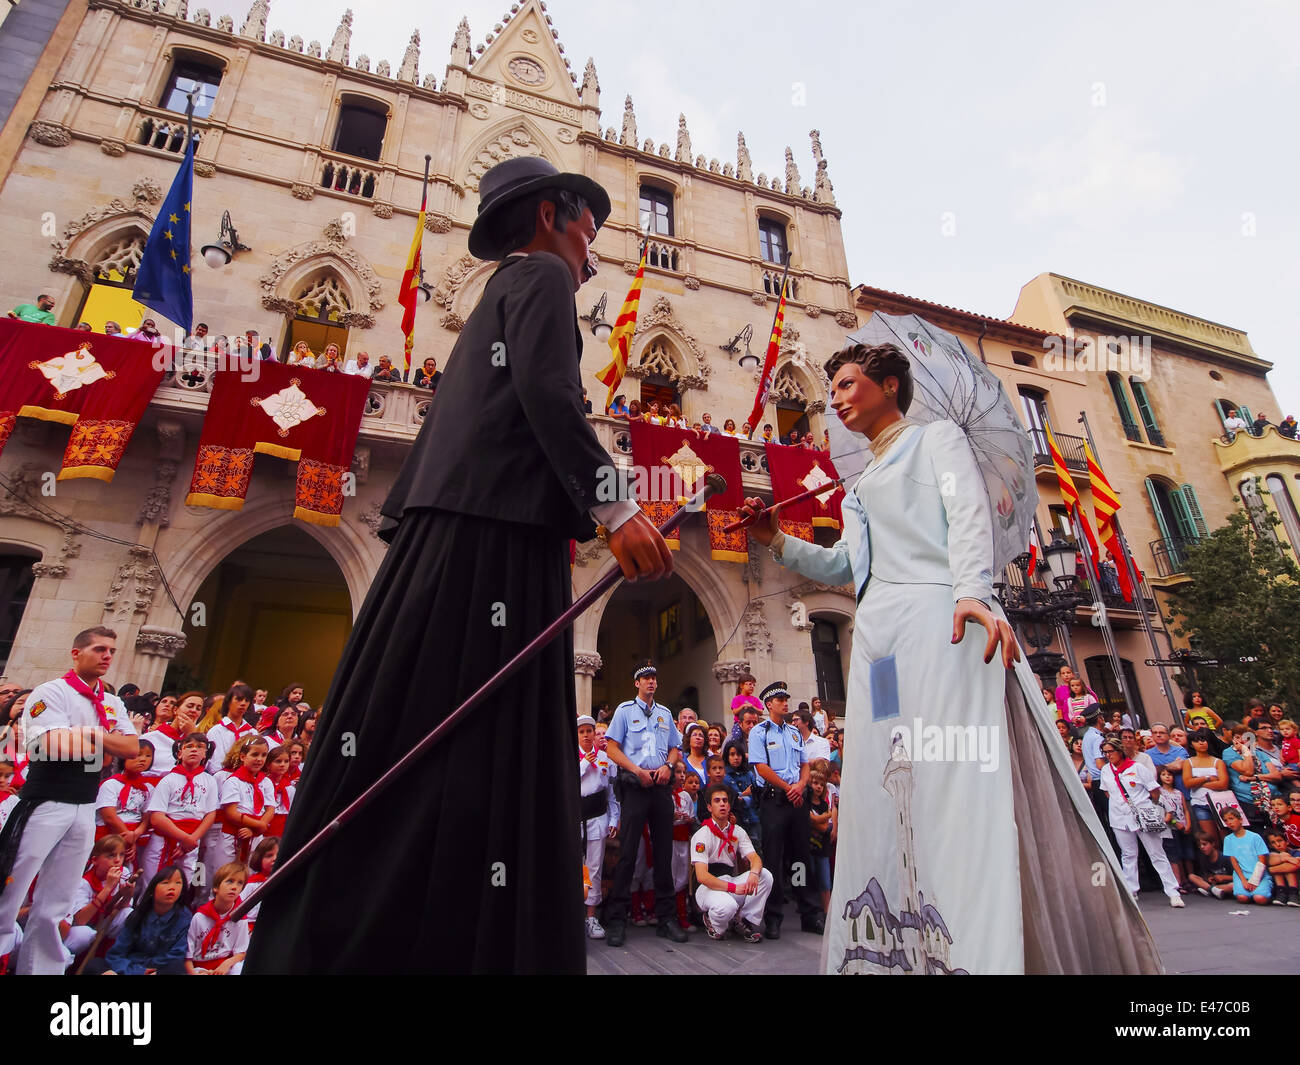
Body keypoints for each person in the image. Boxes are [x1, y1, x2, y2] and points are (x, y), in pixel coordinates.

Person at [247, 156, 670, 976]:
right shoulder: (543, 280)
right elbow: (552, 393)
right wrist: (617, 506)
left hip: (454, 534)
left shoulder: (494, 296)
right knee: (476, 744)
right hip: (495, 540)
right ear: (550, 214)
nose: (593, 248)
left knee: (415, 736)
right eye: (588, 225)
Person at [739, 340, 1159, 974]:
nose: (837, 399)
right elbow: (847, 567)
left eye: (849, 384)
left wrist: (971, 592)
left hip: (938, 622)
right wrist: (776, 539)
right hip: (877, 645)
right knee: (888, 784)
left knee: (946, 776)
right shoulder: (858, 485)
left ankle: (971, 946)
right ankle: (893, 943)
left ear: (886, 385)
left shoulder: (936, 441)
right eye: (834, 390)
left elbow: (967, 517)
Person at [0, 627, 139, 975]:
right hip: (45, 800)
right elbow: (50, 745)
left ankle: (41, 970)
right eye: (99, 649)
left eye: (111, 650)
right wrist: (105, 743)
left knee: (57, 900)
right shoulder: (51, 693)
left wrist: (88, 734)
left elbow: (132, 749)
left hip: (83, 805)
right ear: (76, 653)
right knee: (11, 886)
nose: (107, 655)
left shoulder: (111, 701)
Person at [602, 663, 685, 947]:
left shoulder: (664, 714)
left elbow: (675, 746)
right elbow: (612, 748)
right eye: (645, 678)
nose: (651, 682)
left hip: (660, 787)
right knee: (627, 854)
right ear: (636, 683)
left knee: (663, 854)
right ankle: (616, 919)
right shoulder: (625, 711)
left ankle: (666, 918)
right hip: (635, 787)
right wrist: (636, 771)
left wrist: (668, 765)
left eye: (654, 679)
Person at [747, 680, 821, 939]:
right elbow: (760, 766)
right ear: (769, 704)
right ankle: (774, 916)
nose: (785, 702)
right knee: (774, 859)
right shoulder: (759, 732)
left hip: (796, 800)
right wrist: (787, 788)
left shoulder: (793, 732)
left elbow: (804, 764)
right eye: (780, 699)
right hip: (774, 800)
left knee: (800, 857)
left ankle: (809, 913)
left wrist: (800, 785)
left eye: (786, 699)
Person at [1098, 738, 1184, 906]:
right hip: (1119, 817)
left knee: (1156, 853)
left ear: (1119, 751)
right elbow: (1107, 792)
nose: (1108, 755)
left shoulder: (1137, 768)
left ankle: (1173, 891)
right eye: (1105, 752)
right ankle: (1131, 890)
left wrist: (1146, 808)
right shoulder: (1106, 770)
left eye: (1111, 751)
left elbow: (1154, 791)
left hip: (1143, 814)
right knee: (1128, 854)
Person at [690, 784, 772, 942]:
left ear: (729, 806)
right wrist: (734, 888)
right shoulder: (702, 835)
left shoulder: (738, 831)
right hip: (707, 887)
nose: (722, 804)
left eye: (725, 800)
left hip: (728, 880)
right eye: (717, 800)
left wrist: (754, 874)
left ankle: (743, 920)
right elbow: (701, 876)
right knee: (727, 907)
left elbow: (754, 858)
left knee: (765, 876)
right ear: (709, 807)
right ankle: (713, 921)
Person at [141, 732, 219, 886]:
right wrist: (184, 839)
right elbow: (157, 818)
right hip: (164, 840)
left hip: (191, 842)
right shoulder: (168, 780)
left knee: (185, 882)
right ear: (179, 753)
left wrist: (191, 840)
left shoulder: (210, 781)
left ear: (205, 754)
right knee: (152, 882)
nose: (194, 750)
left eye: (200, 747)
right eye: (189, 746)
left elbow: (210, 814)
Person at [96, 865, 190, 975]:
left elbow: (176, 956)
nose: (172, 887)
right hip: (132, 968)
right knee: (96, 964)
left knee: (176, 968)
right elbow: (116, 954)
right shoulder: (138, 915)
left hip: (159, 970)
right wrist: (139, 971)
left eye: (178, 883)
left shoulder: (184, 918)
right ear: (152, 890)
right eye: (165, 882)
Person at [577, 715, 618, 940]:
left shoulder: (605, 759)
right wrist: (585, 763)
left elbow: (611, 794)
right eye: (581, 732)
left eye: (589, 731)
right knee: (575, 867)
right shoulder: (571, 756)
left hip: (597, 817)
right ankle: (573, 913)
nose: (586, 735)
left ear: (595, 734)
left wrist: (613, 819)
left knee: (594, 868)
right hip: (576, 816)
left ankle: (591, 916)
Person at [187, 862, 251, 974]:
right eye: (230, 881)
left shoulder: (240, 918)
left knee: (239, 969)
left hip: (225, 966)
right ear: (216, 887)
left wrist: (226, 964)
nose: (235, 887)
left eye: (240, 883)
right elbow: (187, 956)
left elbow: (241, 952)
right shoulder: (199, 917)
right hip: (199, 967)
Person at [1182, 729, 1229, 846]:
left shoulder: (1218, 761)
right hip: (1199, 804)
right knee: (1211, 839)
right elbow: (1187, 783)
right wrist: (1207, 778)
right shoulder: (1188, 762)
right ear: (1191, 744)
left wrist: (1197, 781)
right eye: (1197, 741)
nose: (1201, 743)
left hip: (1219, 802)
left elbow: (1223, 784)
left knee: (1226, 836)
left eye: (1203, 740)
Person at [1220, 807, 1271, 904]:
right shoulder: (1228, 839)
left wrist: (1255, 879)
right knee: (1242, 898)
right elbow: (1234, 861)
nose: (1229, 823)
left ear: (1240, 819)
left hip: (1258, 874)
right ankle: (1236, 887)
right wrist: (1243, 880)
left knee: (1260, 898)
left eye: (1231, 819)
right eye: (1226, 820)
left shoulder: (1255, 837)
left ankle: (1266, 890)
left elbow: (1262, 860)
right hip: (1242, 875)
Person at [206, 682, 257, 774]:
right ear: (228, 702)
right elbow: (215, 765)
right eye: (239, 699)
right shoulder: (216, 731)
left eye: (247, 700)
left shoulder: (253, 733)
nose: (243, 703)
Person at [1187, 834, 1234, 898]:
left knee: (1232, 886)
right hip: (1214, 884)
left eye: (1204, 844)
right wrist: (1210, 878)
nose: (1202, 847)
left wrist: (1224, 877)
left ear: (1213, 844)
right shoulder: (1203, 859)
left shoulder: (1225, 857)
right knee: (1191, 876)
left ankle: (1210, 890)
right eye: (1199, 846)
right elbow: (1207, 875)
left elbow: (1240, 877)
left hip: (1228, 883)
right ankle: (1212, 890)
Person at [1265, 829, 1300, 906]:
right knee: (1279, 863)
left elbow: (1297, 864)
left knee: (1288, 866)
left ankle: (1294, 894)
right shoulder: (1271, 855)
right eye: (1273, 842)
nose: (1277, 844)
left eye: (1280, 840)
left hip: (1297, 884)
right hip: (1278, 885)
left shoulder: (1295, 852)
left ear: (1287, 842)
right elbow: (1269, 860)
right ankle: (1281, 893)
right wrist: (1284, 858)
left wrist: (1269, 870)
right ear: (1270, 845)